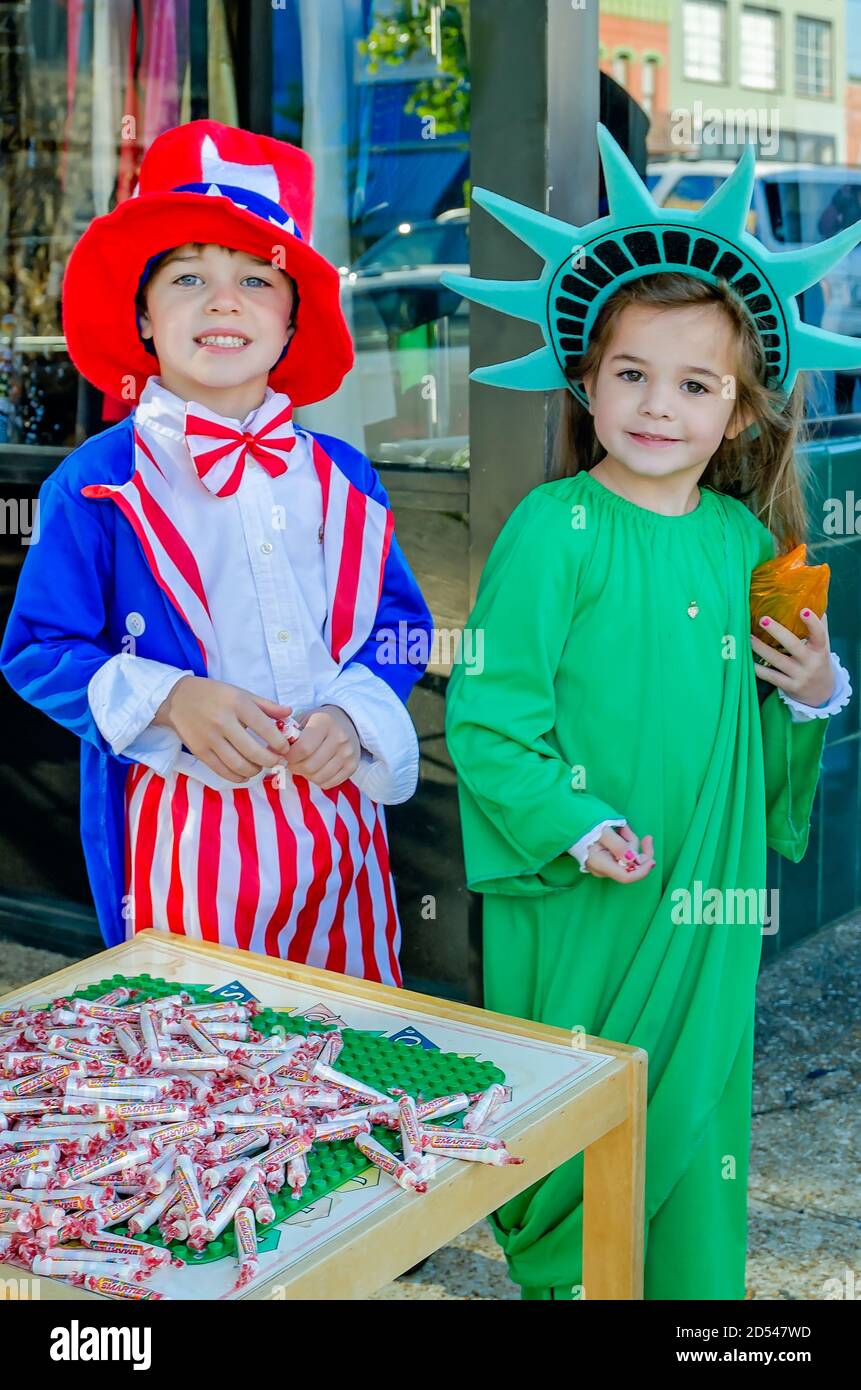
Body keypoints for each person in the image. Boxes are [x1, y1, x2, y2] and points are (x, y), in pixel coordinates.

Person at [442, 125, 855, 1298]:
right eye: (632, 373)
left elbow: (787, 723)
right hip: (584, 899)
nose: (656, 405)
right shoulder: (550, 529)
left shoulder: (755, 546)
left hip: (704, 910)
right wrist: (574, 821)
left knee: (694, 1149)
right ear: (585, 381)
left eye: (694, 383)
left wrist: (820, 687)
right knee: (578, 1126)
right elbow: (489, 718)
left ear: (736, 414)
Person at [0, 120, 433, 986]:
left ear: (291, 323)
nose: (222, 300)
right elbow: (38, 651)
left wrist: (353, 717)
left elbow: (398, 627)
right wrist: (172, 699)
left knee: (346, 1051)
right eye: (188, 277)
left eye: (255, 279)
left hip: (335, 824)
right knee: (206, 1060)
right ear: (145, 318)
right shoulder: (96, 484)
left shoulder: (344, 478)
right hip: (182, 838)